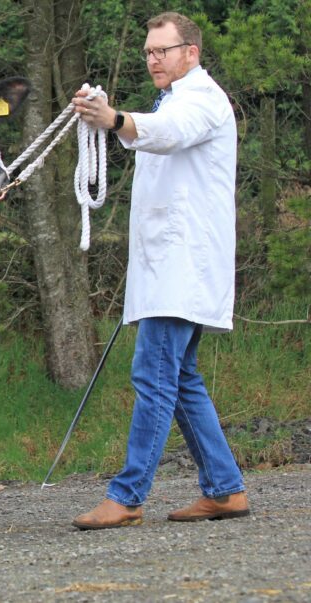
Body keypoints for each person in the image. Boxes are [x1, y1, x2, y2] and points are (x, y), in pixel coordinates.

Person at [69, 11, 249, 529]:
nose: (153, 59)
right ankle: (225, 489)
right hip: (168, 269)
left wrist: (114, 120)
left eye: (162, 50)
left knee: (154, 375)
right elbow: (159, 133)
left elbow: (168, 134)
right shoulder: (171, 100)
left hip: (183, 268)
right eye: (148, 51)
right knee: (181, 378)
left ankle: (127, 495)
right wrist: (112, 121)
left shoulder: (202, 100)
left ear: (191, 52)